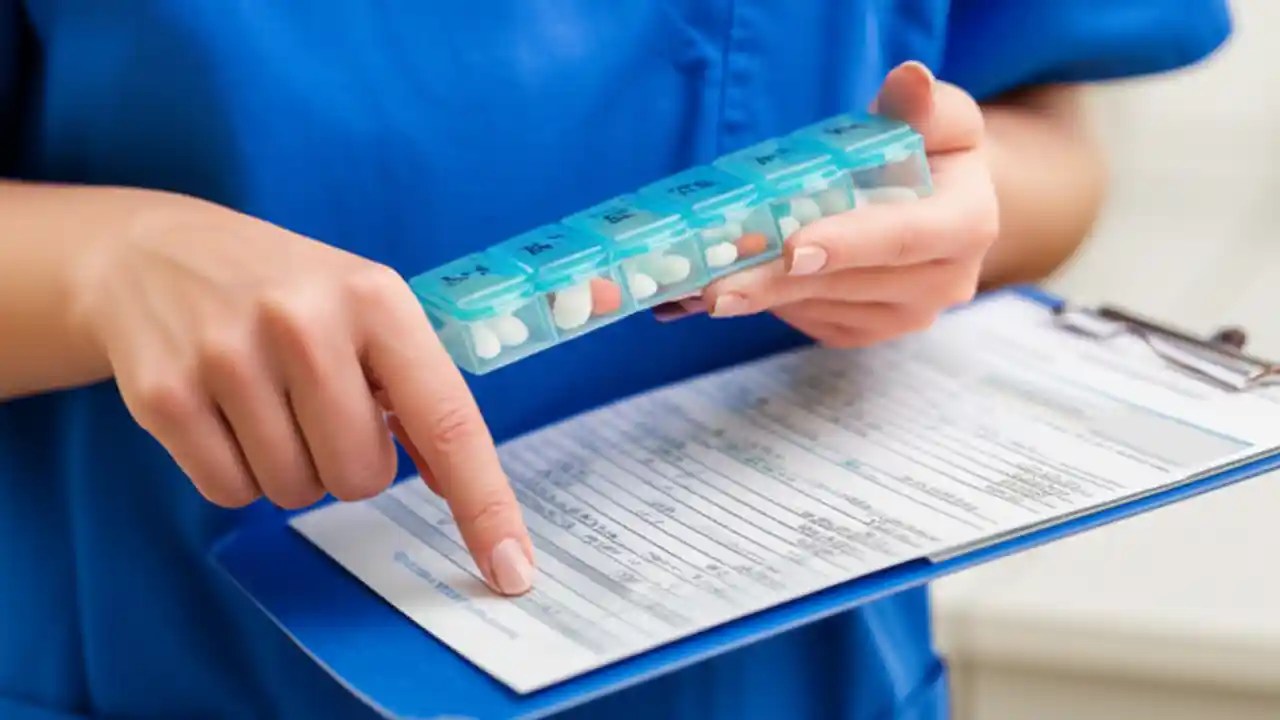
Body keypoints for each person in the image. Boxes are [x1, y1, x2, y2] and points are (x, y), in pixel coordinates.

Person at [0, 1, 1230, 718]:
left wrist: (953, 209)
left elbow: (1048, 129)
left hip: (793, 675)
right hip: (189, 662)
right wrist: (109, 265)